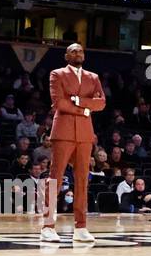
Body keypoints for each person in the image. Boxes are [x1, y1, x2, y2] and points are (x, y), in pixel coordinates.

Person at [41, 43, 104, 243]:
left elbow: (101, 102)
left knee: (82, 180)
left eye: (81, 51)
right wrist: (85, 109)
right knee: (55, 179)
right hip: (63, 131)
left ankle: (81, 226)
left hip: (85, 134)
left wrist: (79, 101)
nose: (78, 53)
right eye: (74, 51)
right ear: (66, 55)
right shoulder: (57, 74)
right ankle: (48, 226)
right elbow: (59, 103)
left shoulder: (93, 77)